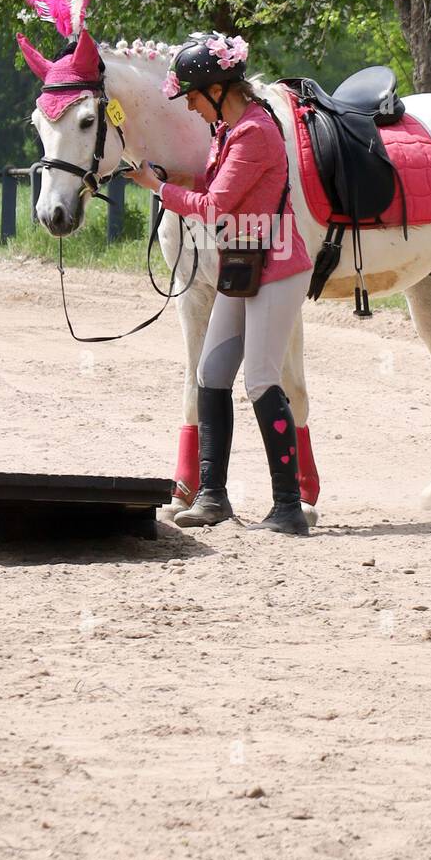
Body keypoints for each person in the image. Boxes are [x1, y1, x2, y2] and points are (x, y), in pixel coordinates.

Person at [126, 31, 314, 536]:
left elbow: (214, 208)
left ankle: (289, 506)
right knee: (211, 375)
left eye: (192, 94)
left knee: (260, 379)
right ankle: (213, 495)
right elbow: (212, 189)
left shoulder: (253, 131)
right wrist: (177, 182)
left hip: (276, 268)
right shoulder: (227, 131)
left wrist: (157, 189)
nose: (188, 104)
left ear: (216, 89)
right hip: (243, 265)